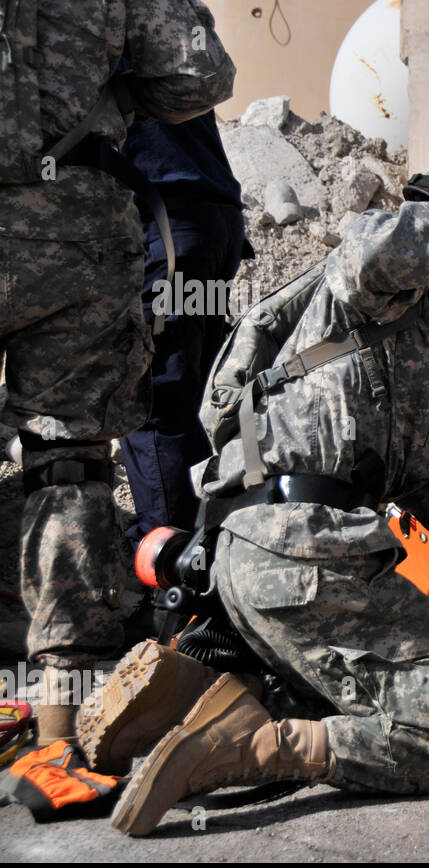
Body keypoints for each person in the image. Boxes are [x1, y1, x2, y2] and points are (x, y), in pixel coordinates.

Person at [82, 160, 429, 836]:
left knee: (356, 681)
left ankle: (193, 689)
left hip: (259, 555)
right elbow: (377, 242)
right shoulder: (375, 290)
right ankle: (252, 747)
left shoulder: (421, 353)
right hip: (306, 553)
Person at [0, 0, 235, 745]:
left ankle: (174, 602)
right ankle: (59, 734)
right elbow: (200, 71)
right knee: (68, 466)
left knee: (164, 416)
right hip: (73, 225)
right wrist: (111, 96)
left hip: (167, 223)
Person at [118, 110, 253, 557]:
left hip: (168, 228)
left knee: (154, 401)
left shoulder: (86, 40)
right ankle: (217, 543)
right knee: (198, 397)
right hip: (211, 228)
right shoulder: (165, 40)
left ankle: (172, 563)